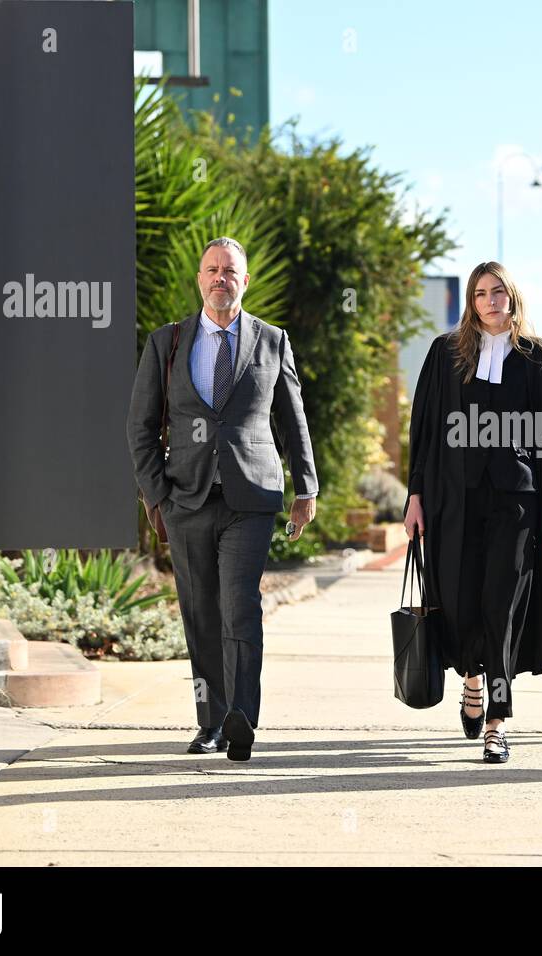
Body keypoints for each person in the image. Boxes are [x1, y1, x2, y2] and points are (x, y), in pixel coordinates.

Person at [126, 236, 319, 762]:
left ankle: (241, 718)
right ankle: (208, 722)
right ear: (199, 279)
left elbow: (293, 419)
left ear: (245, 280)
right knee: (199, 614)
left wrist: (307, 487)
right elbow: (140, 428)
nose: (220, 278)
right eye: (211, 269)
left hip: (249, 497)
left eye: (230, 271)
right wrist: (158, 497)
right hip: (185, 498)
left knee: (240, 607)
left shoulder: (272, 341)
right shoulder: (166, 343)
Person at [403, 260, 542, 764]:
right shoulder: (444, 354)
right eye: (480, 293)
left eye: (499, 291)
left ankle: (497, 720)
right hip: (451, 500)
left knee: (503, 605)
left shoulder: (539, 359)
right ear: (472, 303)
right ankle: (471, 680)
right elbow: (425, 430)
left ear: (513, 297)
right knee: (458, 600)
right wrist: (414, 496)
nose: (490, 300)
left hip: (515, 502)